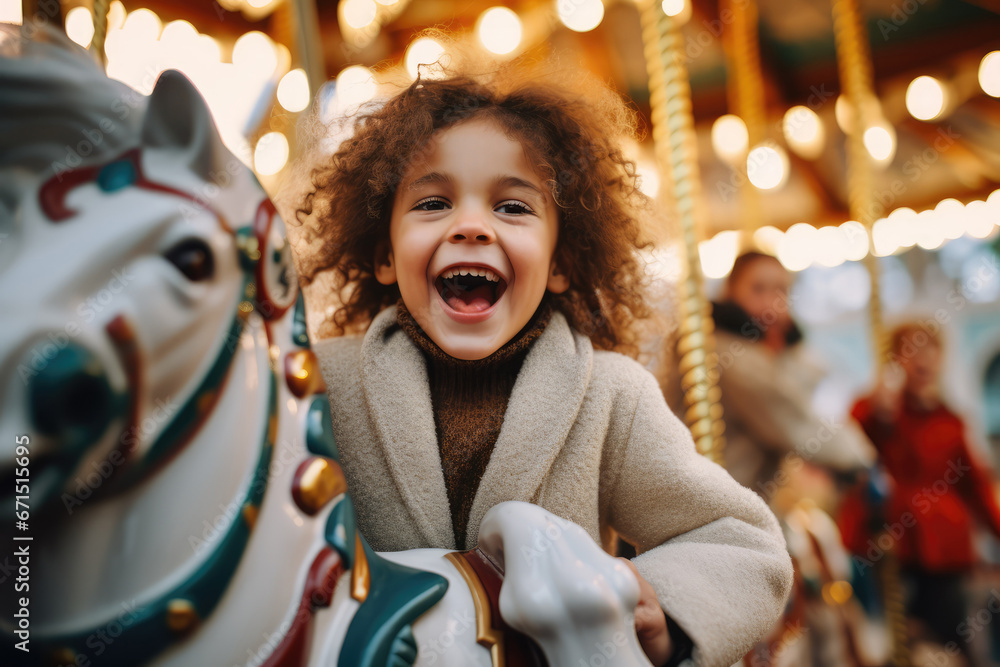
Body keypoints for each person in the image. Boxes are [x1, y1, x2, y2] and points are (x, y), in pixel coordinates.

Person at [301, 59, 793, 667]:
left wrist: (663, 608)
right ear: (385, 254)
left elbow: (739, 541)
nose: (472, 226)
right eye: (433, 202)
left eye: (512, 207)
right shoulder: (321, 384)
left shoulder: (610, 395)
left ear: (560, 262)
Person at [838, 323, 1000, 659]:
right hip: (894, 545)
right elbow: (851, 449)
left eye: (930, 349)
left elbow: (976, 489)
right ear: (895, 360)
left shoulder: (950, 421)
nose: (922, 359)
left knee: (952, 637)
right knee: (897, 639)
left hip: (944, 551)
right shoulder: (880, 412)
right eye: (911, 349)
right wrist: (878, 406)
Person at [711, 251, 875, 502]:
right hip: (722, 498)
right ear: (730, 291)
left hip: (751, 495)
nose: (771, 303)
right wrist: (861, 460)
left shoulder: (770, 350)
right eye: (757, 289)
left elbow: (812, 393)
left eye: (781, 291)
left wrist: (786, 347)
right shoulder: (724, 350)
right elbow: (791, 417)